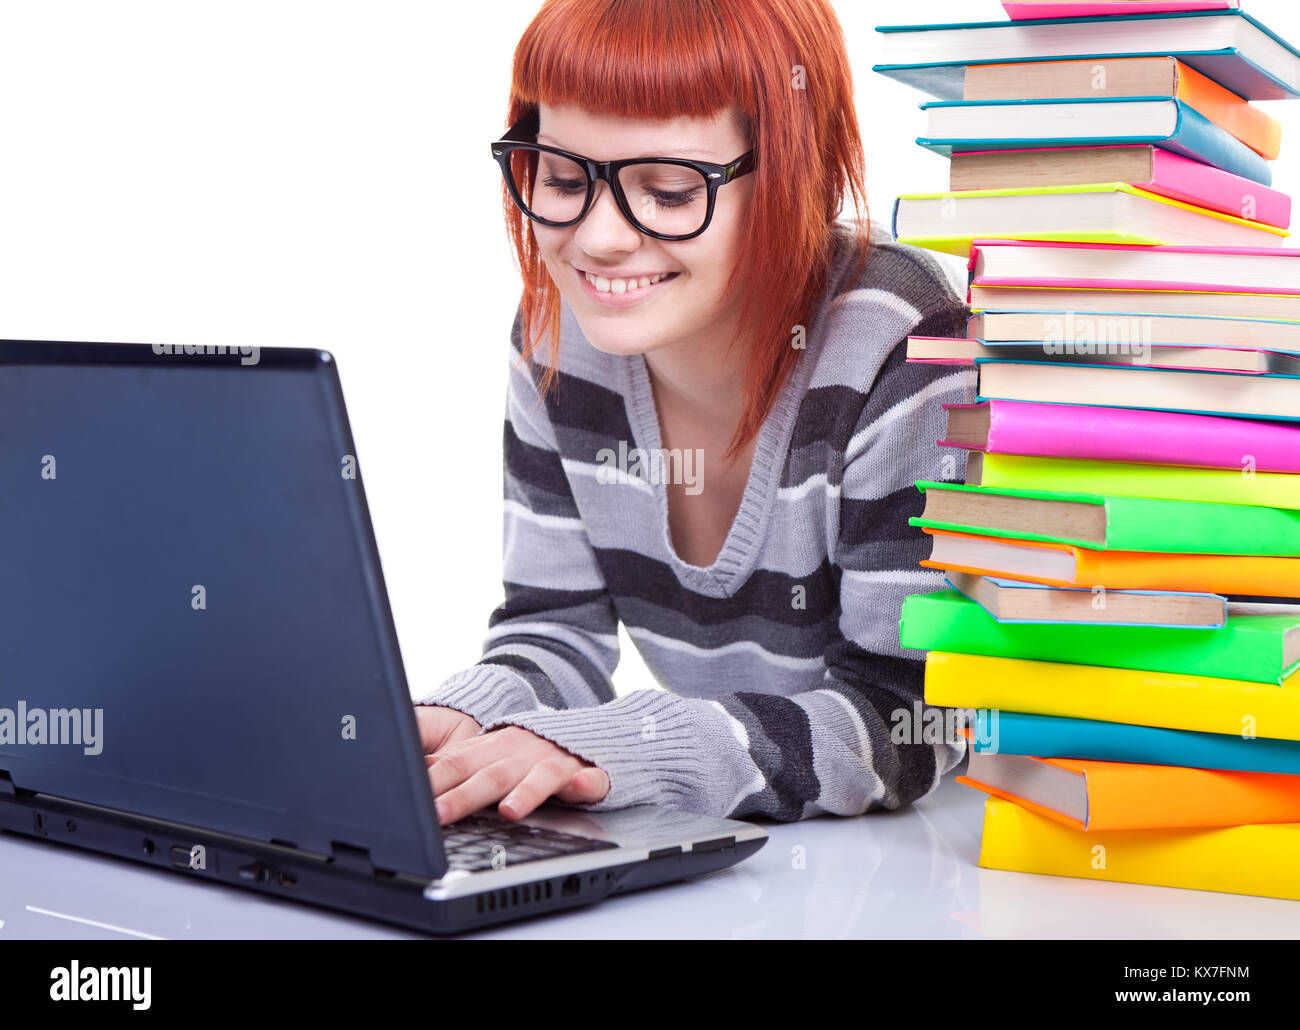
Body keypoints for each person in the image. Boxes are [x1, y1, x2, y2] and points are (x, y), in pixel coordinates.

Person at [415, 0, 975, 826]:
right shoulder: (557, 338)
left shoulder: (903, 340)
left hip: (948, 871)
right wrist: (458, 724)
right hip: (754, 875)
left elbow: (914, 717)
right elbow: (555, 631)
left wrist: (633, 745)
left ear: (793, 175)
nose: (599, 239)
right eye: (563, 179)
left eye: (671, 192)